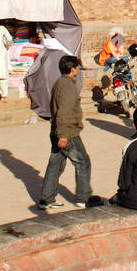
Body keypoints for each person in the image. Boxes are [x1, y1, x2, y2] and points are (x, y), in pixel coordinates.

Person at [39, 55, 93, 209]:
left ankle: (47, 198)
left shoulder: (59, 83)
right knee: (82, 162)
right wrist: (63, 134)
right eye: (76, 68)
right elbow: (64, 111)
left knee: (55, 165)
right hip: (67, 132)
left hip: (57, 130)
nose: (78, 70)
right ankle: (84, 198)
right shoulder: (68, 86)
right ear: (72, 69)